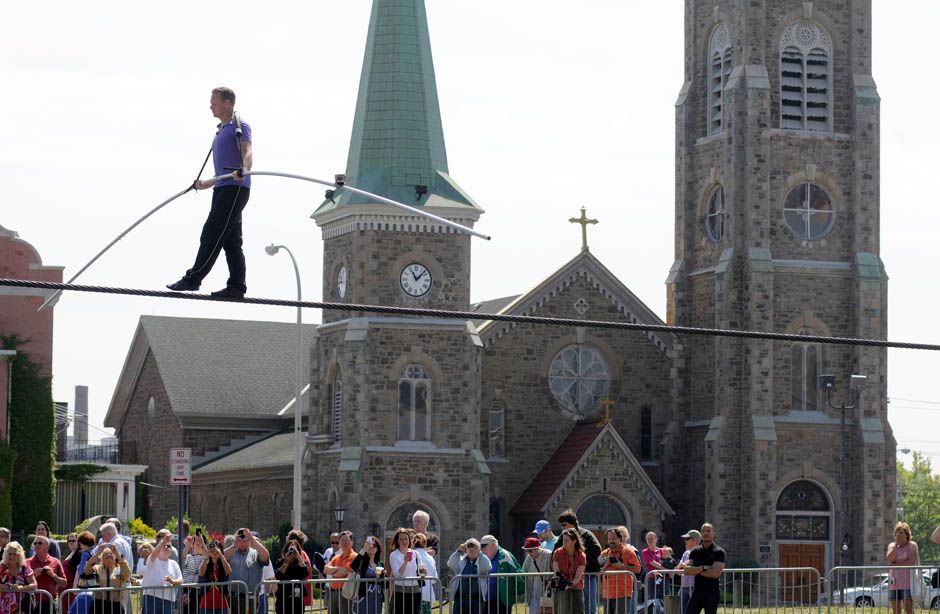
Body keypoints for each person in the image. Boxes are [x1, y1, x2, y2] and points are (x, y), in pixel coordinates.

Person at [167, 86, 254, 299]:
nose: (210, 106)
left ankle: (193, 278)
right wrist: (204, 184)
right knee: (231, 240)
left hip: (235, 189)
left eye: (214, 102)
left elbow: (248, 152)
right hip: (223, 189)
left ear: (227, 103)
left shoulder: (239, 126)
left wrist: (244, 170)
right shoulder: (221, 131)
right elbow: (222, 170)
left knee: (212, 232)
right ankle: (236, 286)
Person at [555, 510, 602, 614]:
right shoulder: (562, 536)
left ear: (572, 524)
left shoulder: (586, 534)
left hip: (588, 575)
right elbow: (555, 553)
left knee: (589, 605)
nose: (562, 528)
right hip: (569, 577)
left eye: (564, 525)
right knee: (573, 607)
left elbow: (596, 550)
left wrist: (580, 564)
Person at [224, 527, 270, 614]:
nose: (242, 543)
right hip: (233, 598)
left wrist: (252, 540)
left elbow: (266, 557)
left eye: (245, 540)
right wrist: (234, 545)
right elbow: (221, 558)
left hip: (251, 598)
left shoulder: (255, 553)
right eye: (240, 539)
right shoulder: (231, 552)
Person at [682, 524, 725, 614]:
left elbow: (715, 573)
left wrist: (696, 570)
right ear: (701, 534)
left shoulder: (719, 552)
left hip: (712, 592)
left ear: (714, 534)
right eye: (703, 531)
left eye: (708, 531)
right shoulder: (695, 551)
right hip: (697, 591)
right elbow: (687, 570)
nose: (705, 533)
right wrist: (703, 568)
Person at [599, 527, 641, 614]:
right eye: (609, 539)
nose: (611, 541)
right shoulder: (604, 553)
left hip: (623, 593)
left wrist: (621, 566)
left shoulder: (628, 552)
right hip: (608, 593)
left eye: (613, 538)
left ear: (620, 539)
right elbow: (597, 571)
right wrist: (605, 564)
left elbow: (638, 569)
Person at [142, 532, 183, 614]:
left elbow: (181, 580)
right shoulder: (153, 560)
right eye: (164, 545)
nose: (166, 547)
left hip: (168, 599)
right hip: (151, 597)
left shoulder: (174, 563)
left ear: (171, 550)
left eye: (168, 546)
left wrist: (173, 581)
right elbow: (154, 554)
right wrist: (163, 541)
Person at [84, 544, 131, 614]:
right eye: (106, 554)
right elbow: (86, 570)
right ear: (102, 559)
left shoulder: (119, 569)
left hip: (115, 605)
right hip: (98, 605)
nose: (109, 555)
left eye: (111, 554)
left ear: (115, 557)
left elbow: (127, 575)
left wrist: (118, 555)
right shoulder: (97, 568)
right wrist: (97, 554)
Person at [481, 535, 522, 614]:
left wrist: (518, 592)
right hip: (486, 599)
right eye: (482, 548)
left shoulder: (506, 555)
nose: (483, 551)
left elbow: (517, 572)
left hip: (503, 600)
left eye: (485, 548)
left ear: (493, 545)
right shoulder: (483, 557)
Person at [26, 534, 67, 614]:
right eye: (35, 543)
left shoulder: (56, 562)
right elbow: (21, 582)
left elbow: (64, 583)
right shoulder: (27, 562)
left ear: (47, 547)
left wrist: (53, 575)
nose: (37, 545)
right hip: (32, 603)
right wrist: (33, 575)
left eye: (40, 543)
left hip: (49, 604)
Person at [448, 538, 491, 614]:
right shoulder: (461, 560)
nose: (472, 549)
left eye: (474, 546)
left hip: (476, 599)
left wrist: (479, 552)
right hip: (460, 599)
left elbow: (487, 567)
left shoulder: (481, 560)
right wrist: (459, 551)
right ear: (466, 549)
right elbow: (451, 564)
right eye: (469, 546)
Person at [886, 521, 920, 614]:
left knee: (908, 610)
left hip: (907, 583)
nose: (898, 534)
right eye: (896, 532)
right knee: (896, 611)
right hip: (894, 583)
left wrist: (895, 564)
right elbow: (889, 559)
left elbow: (911, 562)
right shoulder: (892, 545)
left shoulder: (912, 545)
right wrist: (897, 546)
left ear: (907, 534)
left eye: (901, 532)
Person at [552, 528, 586, 614]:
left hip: (577, 587)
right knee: (560, 611)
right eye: (563, 540)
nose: (564, 542)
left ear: (574, 541)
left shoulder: (581, 555)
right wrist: (561, 582)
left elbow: (578, 576)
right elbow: (556, 572)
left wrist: (570, 584)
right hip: (560, 587)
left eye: (567, 540)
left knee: (578, 611)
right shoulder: (557, 553)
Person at [389, 528, 421, 614]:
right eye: (401, 539)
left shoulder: (416, 554)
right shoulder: (394, 555)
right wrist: (405, 562)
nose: (404, 541)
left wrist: (424, 572)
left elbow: (420, 570)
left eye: (406, 538)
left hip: (415, 590)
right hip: (400, 591)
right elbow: (397, 575)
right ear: (397, 541)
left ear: (409, 540)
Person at [350, 536, 385, 614]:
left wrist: (384, 576)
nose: (372, 547)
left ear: (378, 548)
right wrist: (364, 549)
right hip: (363, 597)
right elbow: (353, 566)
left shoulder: (380, 563)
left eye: (374, 545)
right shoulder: (362, 561)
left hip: (376, 598)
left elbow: (385, 584)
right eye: (370, 545)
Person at [274, 539, 310, 614]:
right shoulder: (280, 562)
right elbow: (279, 576)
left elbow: (306, 573)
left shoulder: (302, 563)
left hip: (297, 596)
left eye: (294, 549)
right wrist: (286, 561)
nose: (292, 551)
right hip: (283, 596)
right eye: (290, 548)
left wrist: (298, 556)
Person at [325, 531, 356, 614]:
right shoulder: (336, 557)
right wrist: (339, 569)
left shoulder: (354, 557)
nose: (344, 542)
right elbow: (326, 569)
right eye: (342, 540)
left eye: (347, 540)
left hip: (345, 593)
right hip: (333, 592)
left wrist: (333, 571)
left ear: (352, 542)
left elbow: (344, 572)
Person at [1, 542, 36, 614]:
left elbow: (34, 585)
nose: (12, 557)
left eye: (15, 554)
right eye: (9, 554)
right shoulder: (1, 568)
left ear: (19, 555)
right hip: (4, 608)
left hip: (23, 608)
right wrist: (4, 587)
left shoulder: (25, 568)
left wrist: (21, 588)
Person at [198, 541, 231, 614]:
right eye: (212, 549)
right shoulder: (205, 562)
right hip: (206, 602)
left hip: (222, 602)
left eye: (216, 549)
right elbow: (201, 573)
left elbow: (229, 572)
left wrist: (221, 555)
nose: (214, 551)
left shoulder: (223, 562)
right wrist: (206, 557)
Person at [521, 537, 552, 614]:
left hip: (546, 594)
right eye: (527, 551)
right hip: (532, 595)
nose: (529, 553)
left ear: (537, 548)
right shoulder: (529, 557)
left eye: (530, 551)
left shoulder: (549, 555)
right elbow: (523, 571)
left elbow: (555, 571)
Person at [675, 530, 701, 614]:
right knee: (681, 611)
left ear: (695, 540)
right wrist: (684, 567)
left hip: (695, 587)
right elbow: (678, 571)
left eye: (687, 539)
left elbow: (693, 568)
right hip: (684, 587)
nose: (685, 541)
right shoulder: (685, 553)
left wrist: (684, 567)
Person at [181, 534, 207, 614]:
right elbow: (181, 562)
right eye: (196, 540)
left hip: (201, 590)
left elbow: (208, 557)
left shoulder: (205, 557)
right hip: (187, 590)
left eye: (200, 540)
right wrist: (187, 546)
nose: (198, 542)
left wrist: (202, 543)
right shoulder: (188, 557)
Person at [414, 533, 438, 614]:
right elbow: (435, 579)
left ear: (413, 542)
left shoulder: (412, 554)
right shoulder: (430, 558)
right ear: (425, 543)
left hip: (414, 594)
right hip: (427, 595)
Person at [640, 532, 664, 614]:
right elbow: (652, 562)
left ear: (656, 539)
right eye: (648, 539)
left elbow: (667, 560)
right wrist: (665, 569)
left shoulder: (661, 551)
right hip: (651, 579)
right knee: (652, 600)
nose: (650, 540)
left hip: (663, 578)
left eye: (652, 538)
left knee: (664, 598)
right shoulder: (645, 551)